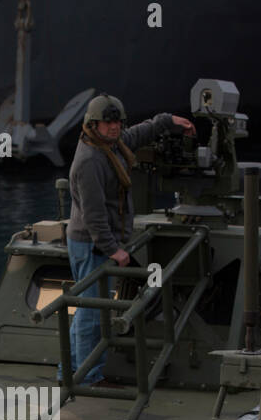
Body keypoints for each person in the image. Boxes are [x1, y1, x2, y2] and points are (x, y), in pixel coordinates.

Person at [65, 93, 196, 386]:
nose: (114, 128)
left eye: (117, 122)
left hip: (97, 241)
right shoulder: (90, 161)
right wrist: (114, 250)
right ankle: (84, 379)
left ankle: (75, 373)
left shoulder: (112, 145)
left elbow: (136, 134)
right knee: (91, 315)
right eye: (107, 123)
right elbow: (94, 216)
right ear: (93, 124)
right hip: (92, 243)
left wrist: (167, 121)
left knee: (89, 311)